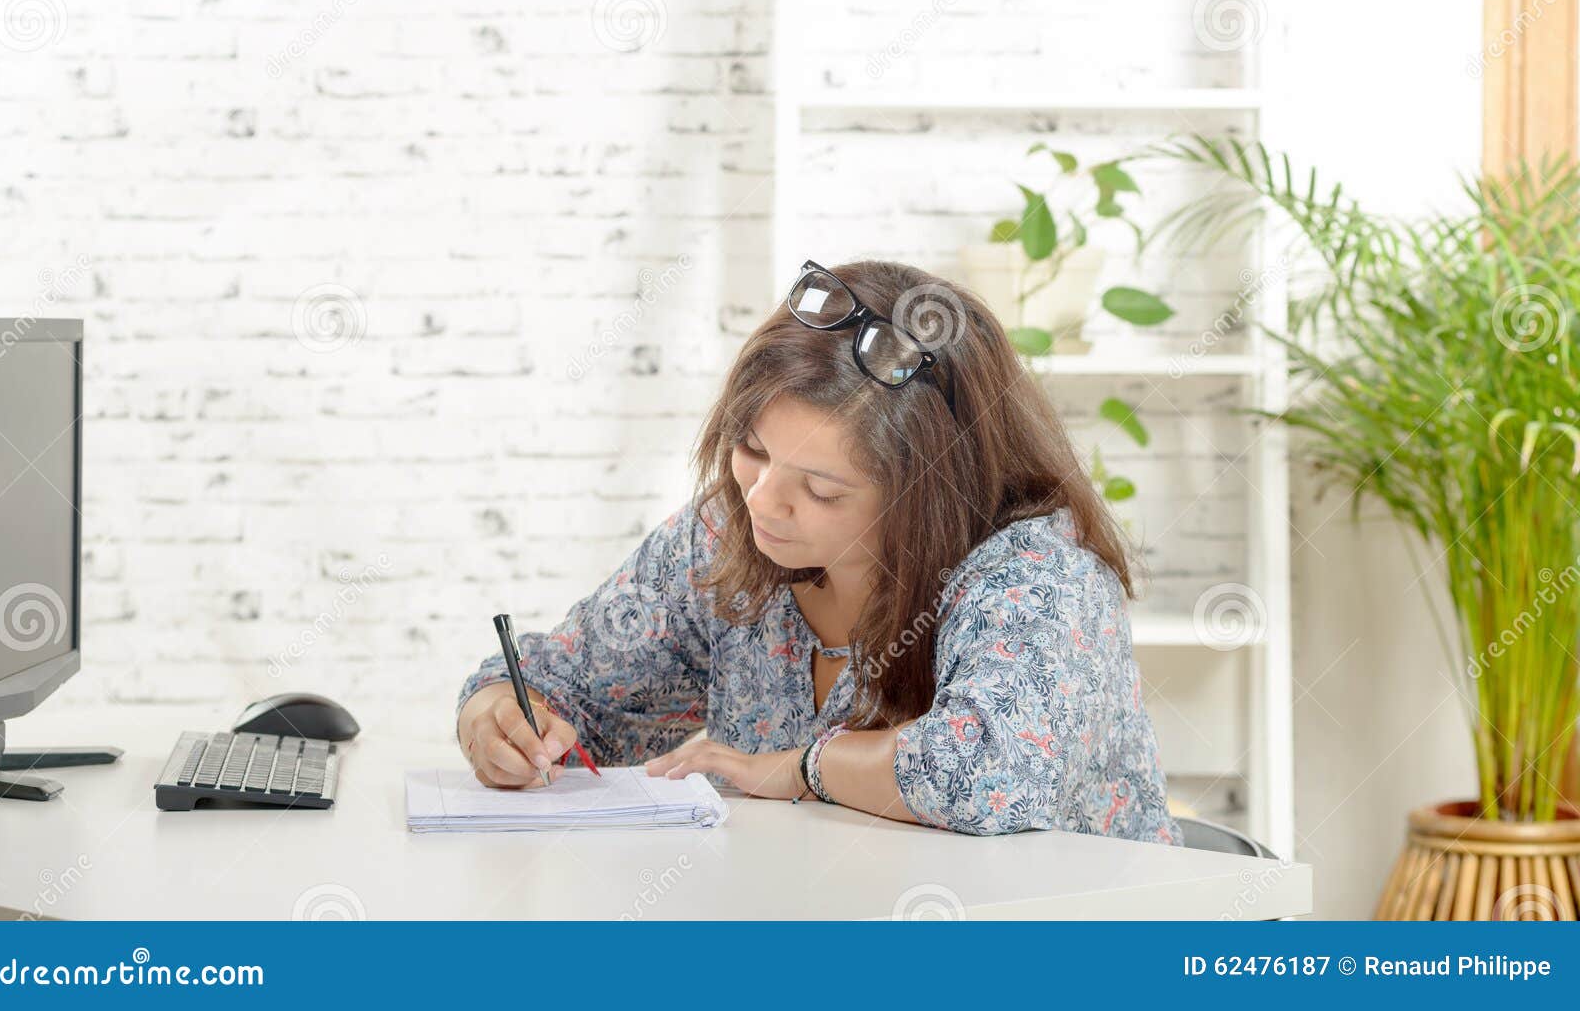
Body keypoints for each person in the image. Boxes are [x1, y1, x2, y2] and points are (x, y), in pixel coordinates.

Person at [454, 258, 1179, 841]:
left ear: (926, 494)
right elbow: (570, 686)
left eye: (823, 489)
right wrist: (503, 718)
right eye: (750, 449)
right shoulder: (721, 537)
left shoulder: (1037, 577)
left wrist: (794, 770)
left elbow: (984, 771)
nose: (762, 499)